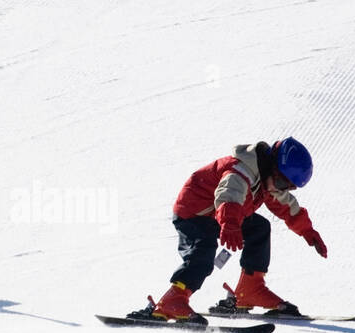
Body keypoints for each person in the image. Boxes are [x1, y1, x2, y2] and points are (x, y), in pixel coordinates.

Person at [134, 137, 327, 321]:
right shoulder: (240, 171)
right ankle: (173, 299)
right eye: (282, 183)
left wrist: (308, 232)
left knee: (260, 228)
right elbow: (228, 195)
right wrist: (229, 223)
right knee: (204, 248)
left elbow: (287, 207)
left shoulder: (267, 181)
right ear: (272, 168)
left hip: (225, 217)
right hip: (195, 213)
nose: (282, 189)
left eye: (289, 187)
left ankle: (251, 289)